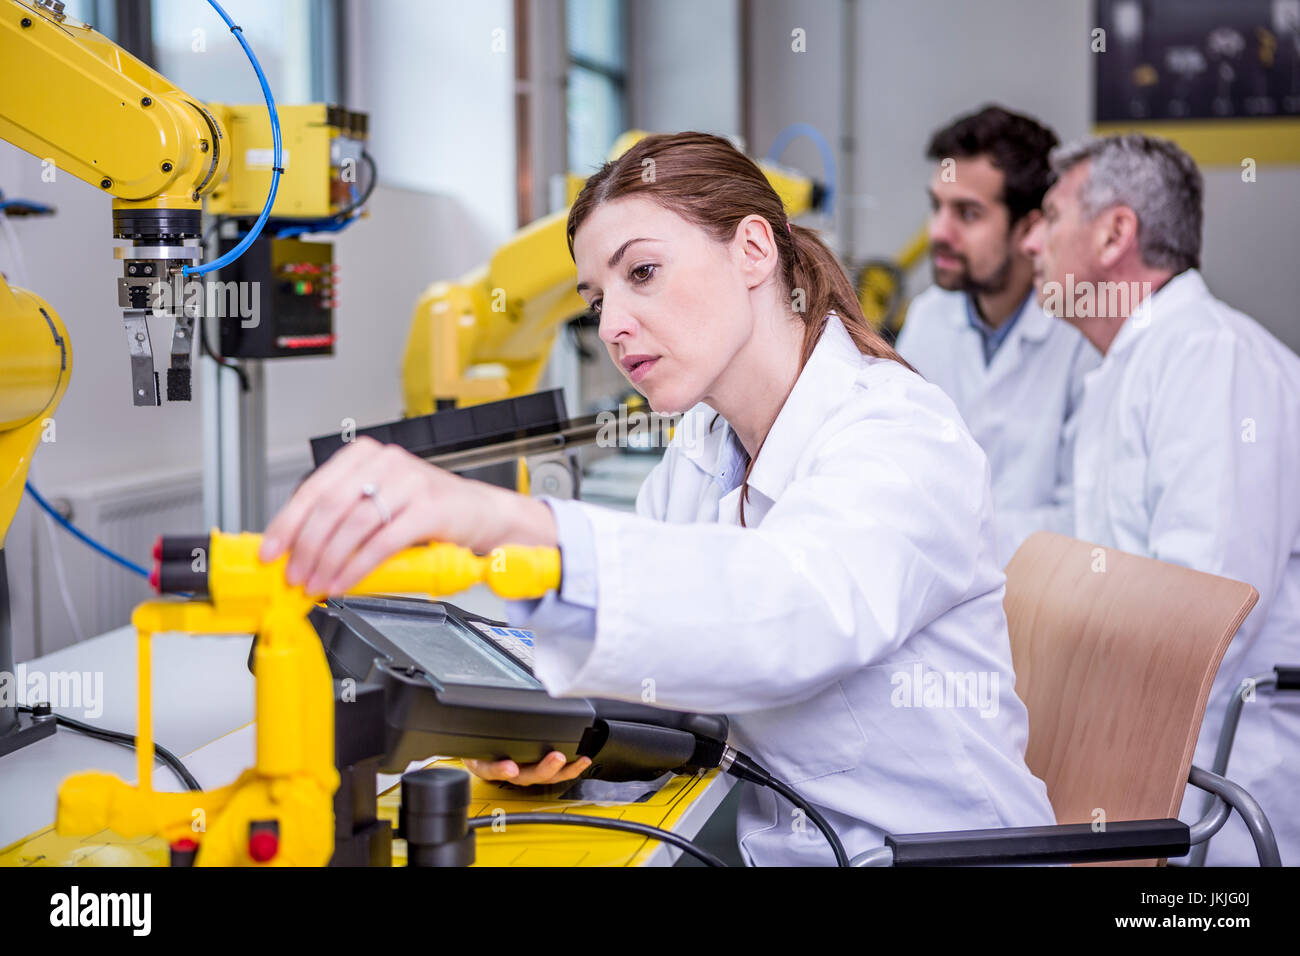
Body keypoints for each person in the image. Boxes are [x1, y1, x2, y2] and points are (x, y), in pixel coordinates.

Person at [260, 131, 1055, 866]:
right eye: (596, 298)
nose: (611, 326)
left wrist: (509, 521)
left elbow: (790, 610)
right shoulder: (706, 446)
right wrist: (561, 732)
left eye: (642, 273)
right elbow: (667, 649)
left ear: (752, 249)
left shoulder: (900, 432)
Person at [1020, 132, 1300, 866]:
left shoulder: (1211, 358)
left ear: (1115, 233)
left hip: (1225, 789)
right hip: (1149, 770)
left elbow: (1206, 608)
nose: (1030, 243)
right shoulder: (1127, 367)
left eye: (1049, 216)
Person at [895, 106, 1098, 563]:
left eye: (967, 214)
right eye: (936, 207)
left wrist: (946, 537)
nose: (938, 233)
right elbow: (897, 469)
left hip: (1045, 604)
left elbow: (1087, 521)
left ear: (1030, 228)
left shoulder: (1082, 338)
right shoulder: (929, 318)